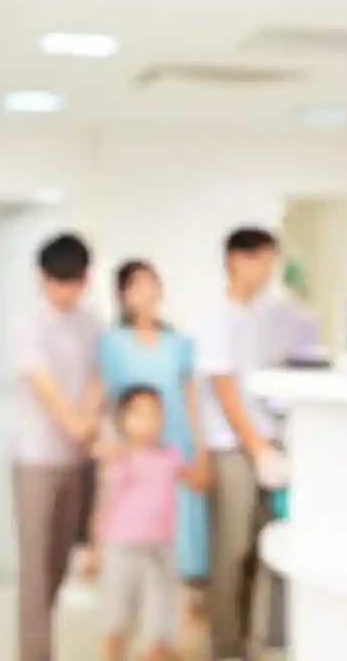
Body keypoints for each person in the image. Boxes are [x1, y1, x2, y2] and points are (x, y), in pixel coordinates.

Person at [98, 260, 211, 620]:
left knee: (184, 543)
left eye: (151, 283)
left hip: (175, 450)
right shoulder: (112, 344)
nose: (145, 292)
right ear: (122, 296)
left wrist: (202, 453)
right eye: (135, 285)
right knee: (136, 535)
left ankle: (175, 628)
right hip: (134, 455)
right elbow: (106, 399)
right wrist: (109, 445)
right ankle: (138, 620)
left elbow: (192, 400)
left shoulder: (179, 345)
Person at [196, 227, 289, 659]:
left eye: (272, 260)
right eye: (262, 260)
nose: (268, 270)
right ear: (236, 259)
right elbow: (224, 388)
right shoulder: (218, 314)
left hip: (265, 440)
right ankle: (226, 647)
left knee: (260, 548)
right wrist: (256, 448)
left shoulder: (260, 316)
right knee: (231, 551)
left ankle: (255, 643)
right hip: (232, 447)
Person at [12, 232, 104, 661]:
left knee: (59, 563)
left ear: (85, 280)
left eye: (74, 283)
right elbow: (43, 385)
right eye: (58, 282)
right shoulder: (28, 322)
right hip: (36, 458)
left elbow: (96, 379)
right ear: (43, 280)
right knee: (34, 570)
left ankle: (38, 644)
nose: (66, 292)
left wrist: (86, 425)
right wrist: (79, 425)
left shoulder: (91, 324)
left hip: (77, 459)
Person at [97, 385, 210, 661]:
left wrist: (199, 436)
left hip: (161, 549)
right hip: (122, 547)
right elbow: (104, 503)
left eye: (154, 414)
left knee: (161, 621)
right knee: (118, 617)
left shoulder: (170, 456)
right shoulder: (120, 457)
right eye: (139, 414)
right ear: (122, 420)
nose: (148, 421)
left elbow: (199, 481)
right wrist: (94, 548)